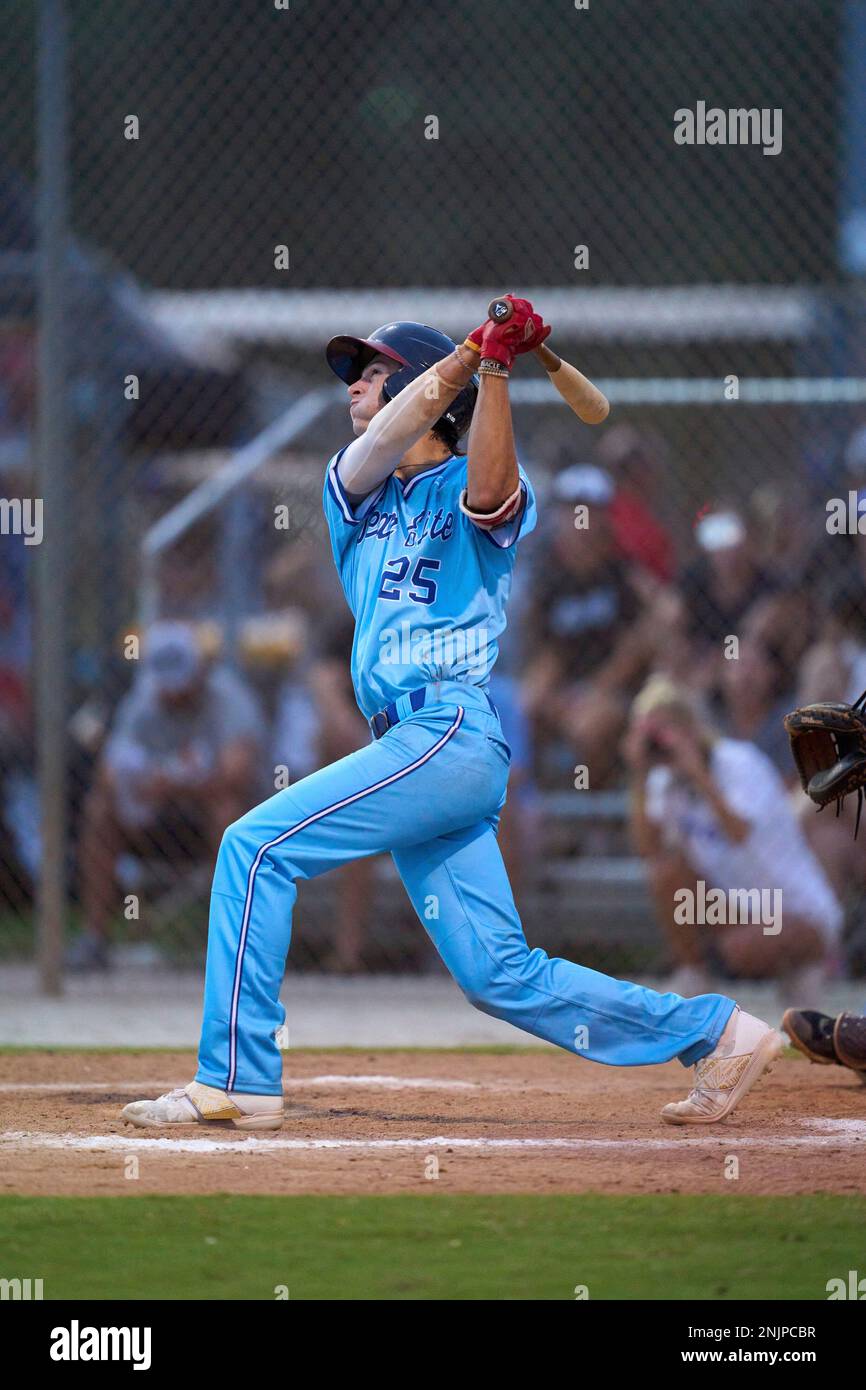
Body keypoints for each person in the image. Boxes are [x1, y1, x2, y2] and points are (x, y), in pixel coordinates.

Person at [122, 297, 780, 1133]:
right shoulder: (351, 490)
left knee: (253, 849)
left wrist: (496, 368)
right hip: (414, 747)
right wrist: (473, 355)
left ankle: (237, 1078)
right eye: (356, 375)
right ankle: (716, 1032)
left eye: (371, 372)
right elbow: (399, 427)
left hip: (449, 731)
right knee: (497, 973)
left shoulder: (482, 480)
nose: (354, 387)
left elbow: (492, 486)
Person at [626, 676, 842, 1002]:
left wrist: (698, 774)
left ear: (692, 727)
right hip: (736, 908)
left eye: (668, 731)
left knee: (739, 950)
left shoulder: (739, 762)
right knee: (666, 872)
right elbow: (648, 851)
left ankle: (805, 965)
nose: (662, 744)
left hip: (797, 910)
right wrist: (640, 776)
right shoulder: (664, 779)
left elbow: (739, 834)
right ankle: (693, 975)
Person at [75, 623, 264, 969]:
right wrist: (142, 788)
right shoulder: (142, 699)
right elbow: (108, 773)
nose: (173, 695)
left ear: (201, 671)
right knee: (100, 811)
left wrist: (174, 786)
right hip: (155, 815)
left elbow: (237, 776)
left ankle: (227, 944)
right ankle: (95, 938)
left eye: (182, 683)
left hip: (205, 814)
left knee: (229, 814)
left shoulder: (228, 698)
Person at [523, 464, 652, 787]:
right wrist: (552, 697)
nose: (580, 522)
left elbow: (640, 643)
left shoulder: (621, 573)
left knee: (590, 727)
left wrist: (596, 690)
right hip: (566, 688)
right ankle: (540, 806)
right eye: (571, 510)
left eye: (590, 510)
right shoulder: (548, 578)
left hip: (615, 690)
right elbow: (546, 655)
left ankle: (590, 818)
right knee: (522, 711)